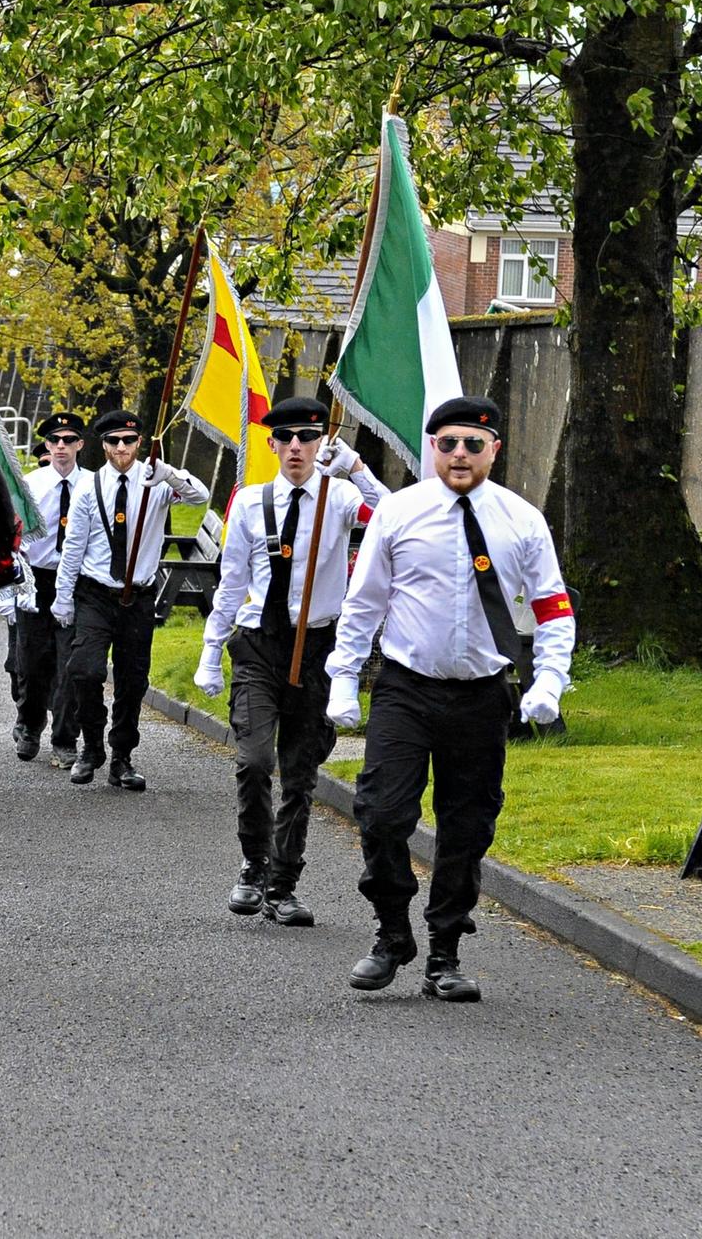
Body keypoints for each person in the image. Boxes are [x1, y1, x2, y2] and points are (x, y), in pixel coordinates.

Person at [325, 395, 575, 1001]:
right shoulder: (401, 512)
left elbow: (552, 607)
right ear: (432, 447)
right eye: (447, 443)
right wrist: (342, 675)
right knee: (382, 814)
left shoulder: (521, 520)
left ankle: (445, 951)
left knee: (467, 827)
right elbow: (365, 602)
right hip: (408, 688)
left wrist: (549, 679)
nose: (460, 454)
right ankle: (391, 934)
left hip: (481, 695)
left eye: (473, 444)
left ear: (495, 450)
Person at [194, 397, 388, 928]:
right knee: (255, 759)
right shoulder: (251, 503)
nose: (298, 446)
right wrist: (212, 650)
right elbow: (232, 581)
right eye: (288, 438)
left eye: (309, 437)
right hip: (260, 647)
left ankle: (283, 884)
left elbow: (396, 517)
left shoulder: (342, 497)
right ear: (272, 445)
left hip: (318, 647)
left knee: (299, 775)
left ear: (321, 443)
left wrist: (358, 468)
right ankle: (253, 863)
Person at [52, 408, 209, 791]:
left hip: (138, 596)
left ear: (139, 443)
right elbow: (74, 545)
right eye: (112, 441)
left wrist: (168, 473)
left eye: (128, 440)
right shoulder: (90, 486)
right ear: (103, 446)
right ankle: (91, 745)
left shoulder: (155, 481)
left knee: (132, 680)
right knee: (84, 670)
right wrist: (63, 596)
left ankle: (121, 755)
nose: (121, 447)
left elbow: (199, 496)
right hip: (95, 593)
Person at [14, 411, 86, 767]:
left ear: (80, 445)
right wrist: (17, 580)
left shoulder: (90, 485)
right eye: (55, 441)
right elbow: (16, 533)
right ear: (46, 445)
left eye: (69, 440)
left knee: (69, 662)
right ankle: (28, 724)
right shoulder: (31, 484)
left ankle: (65, 737)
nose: (61, 447)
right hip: (38, 578)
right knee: (31, 659)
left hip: (73, 580)